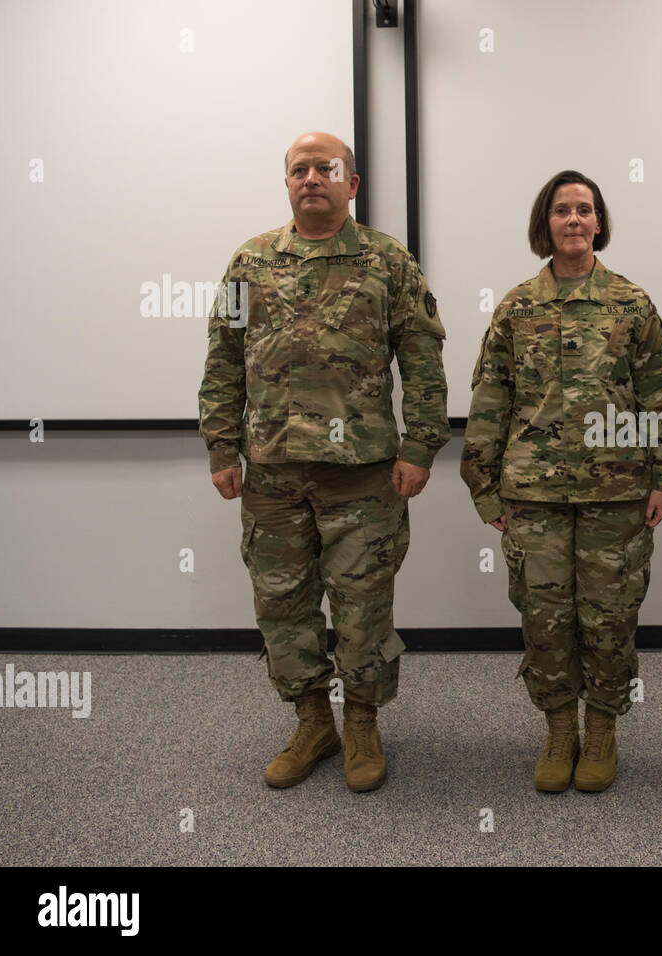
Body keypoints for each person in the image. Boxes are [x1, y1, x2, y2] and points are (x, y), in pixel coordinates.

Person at [198, 131, 449, 793]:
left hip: (363, 474)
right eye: (300, 169)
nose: (313, 177)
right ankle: (312, 720)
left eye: (326, 168)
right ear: (287, 183)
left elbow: (423, 360)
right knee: (282, 606)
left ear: (352, 183)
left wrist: (421, 446)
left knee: (363, 607)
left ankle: (362, 720)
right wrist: (222, 446)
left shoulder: (389, 261)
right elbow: (223, 359)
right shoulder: (248, 262)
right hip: (273, 474)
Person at [461, 170, 662, 793]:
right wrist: (484, 486)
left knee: (610, 616)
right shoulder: (516, 307)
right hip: (533, 495)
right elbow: (490, 400)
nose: (575, 220)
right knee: (546, 617)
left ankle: (603, 728)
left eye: (585, 209)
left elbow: (658, 400)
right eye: (563, 210)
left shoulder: (632, 305)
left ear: (600, 222)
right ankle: (560, 728)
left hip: (618, 493)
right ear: (546, 224)